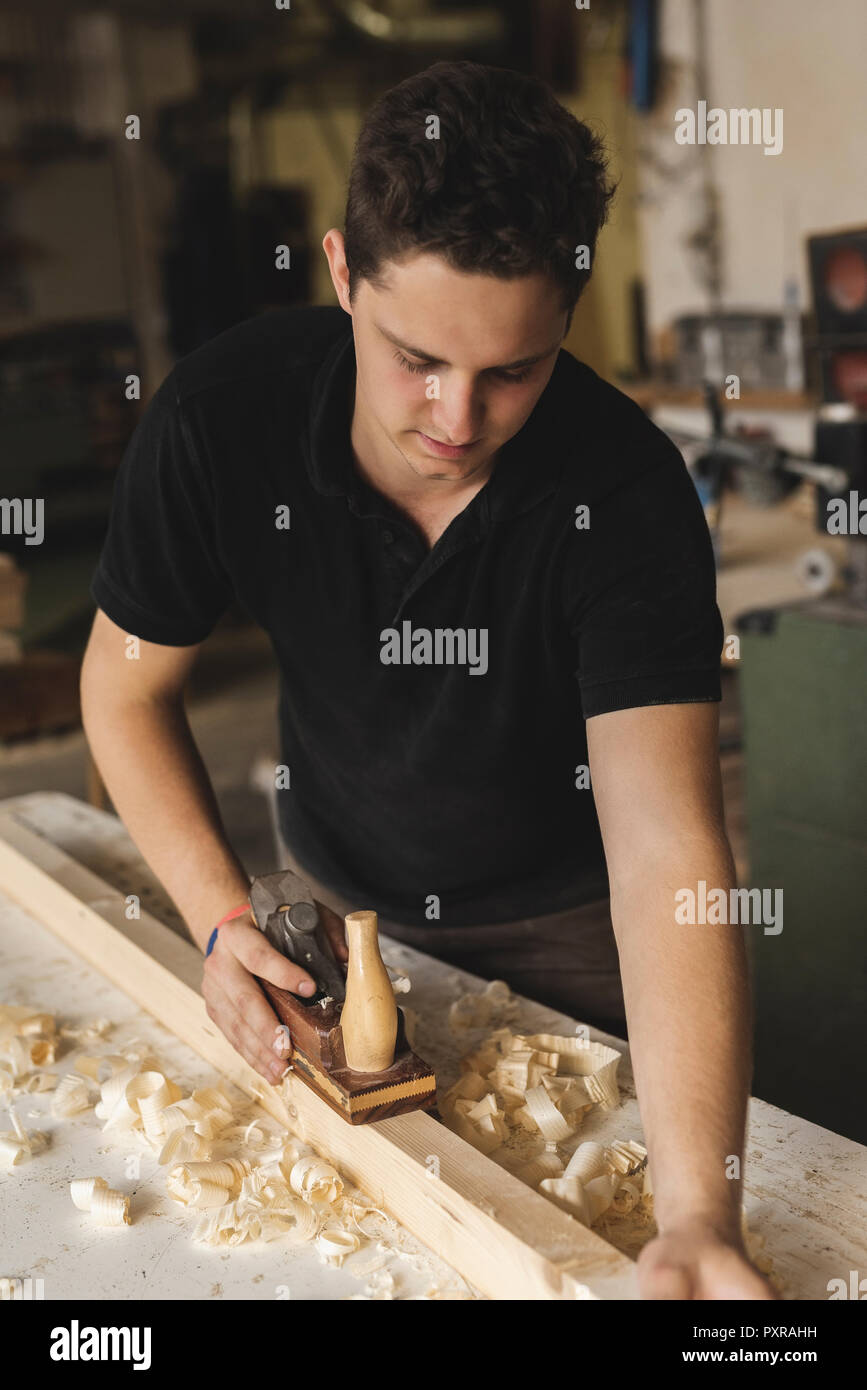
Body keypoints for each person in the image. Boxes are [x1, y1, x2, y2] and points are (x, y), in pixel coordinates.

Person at [82, 60, 773, 1299]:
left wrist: (698, 1214)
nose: (457, 418)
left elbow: (669, 850)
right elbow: (124, 691)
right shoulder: (220, 420)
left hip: (575, 931)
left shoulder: (623, 495)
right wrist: (226, 923)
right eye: (415, 358)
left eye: (514, 370)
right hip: (345, 918)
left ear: (567, 311)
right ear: (343, 273)